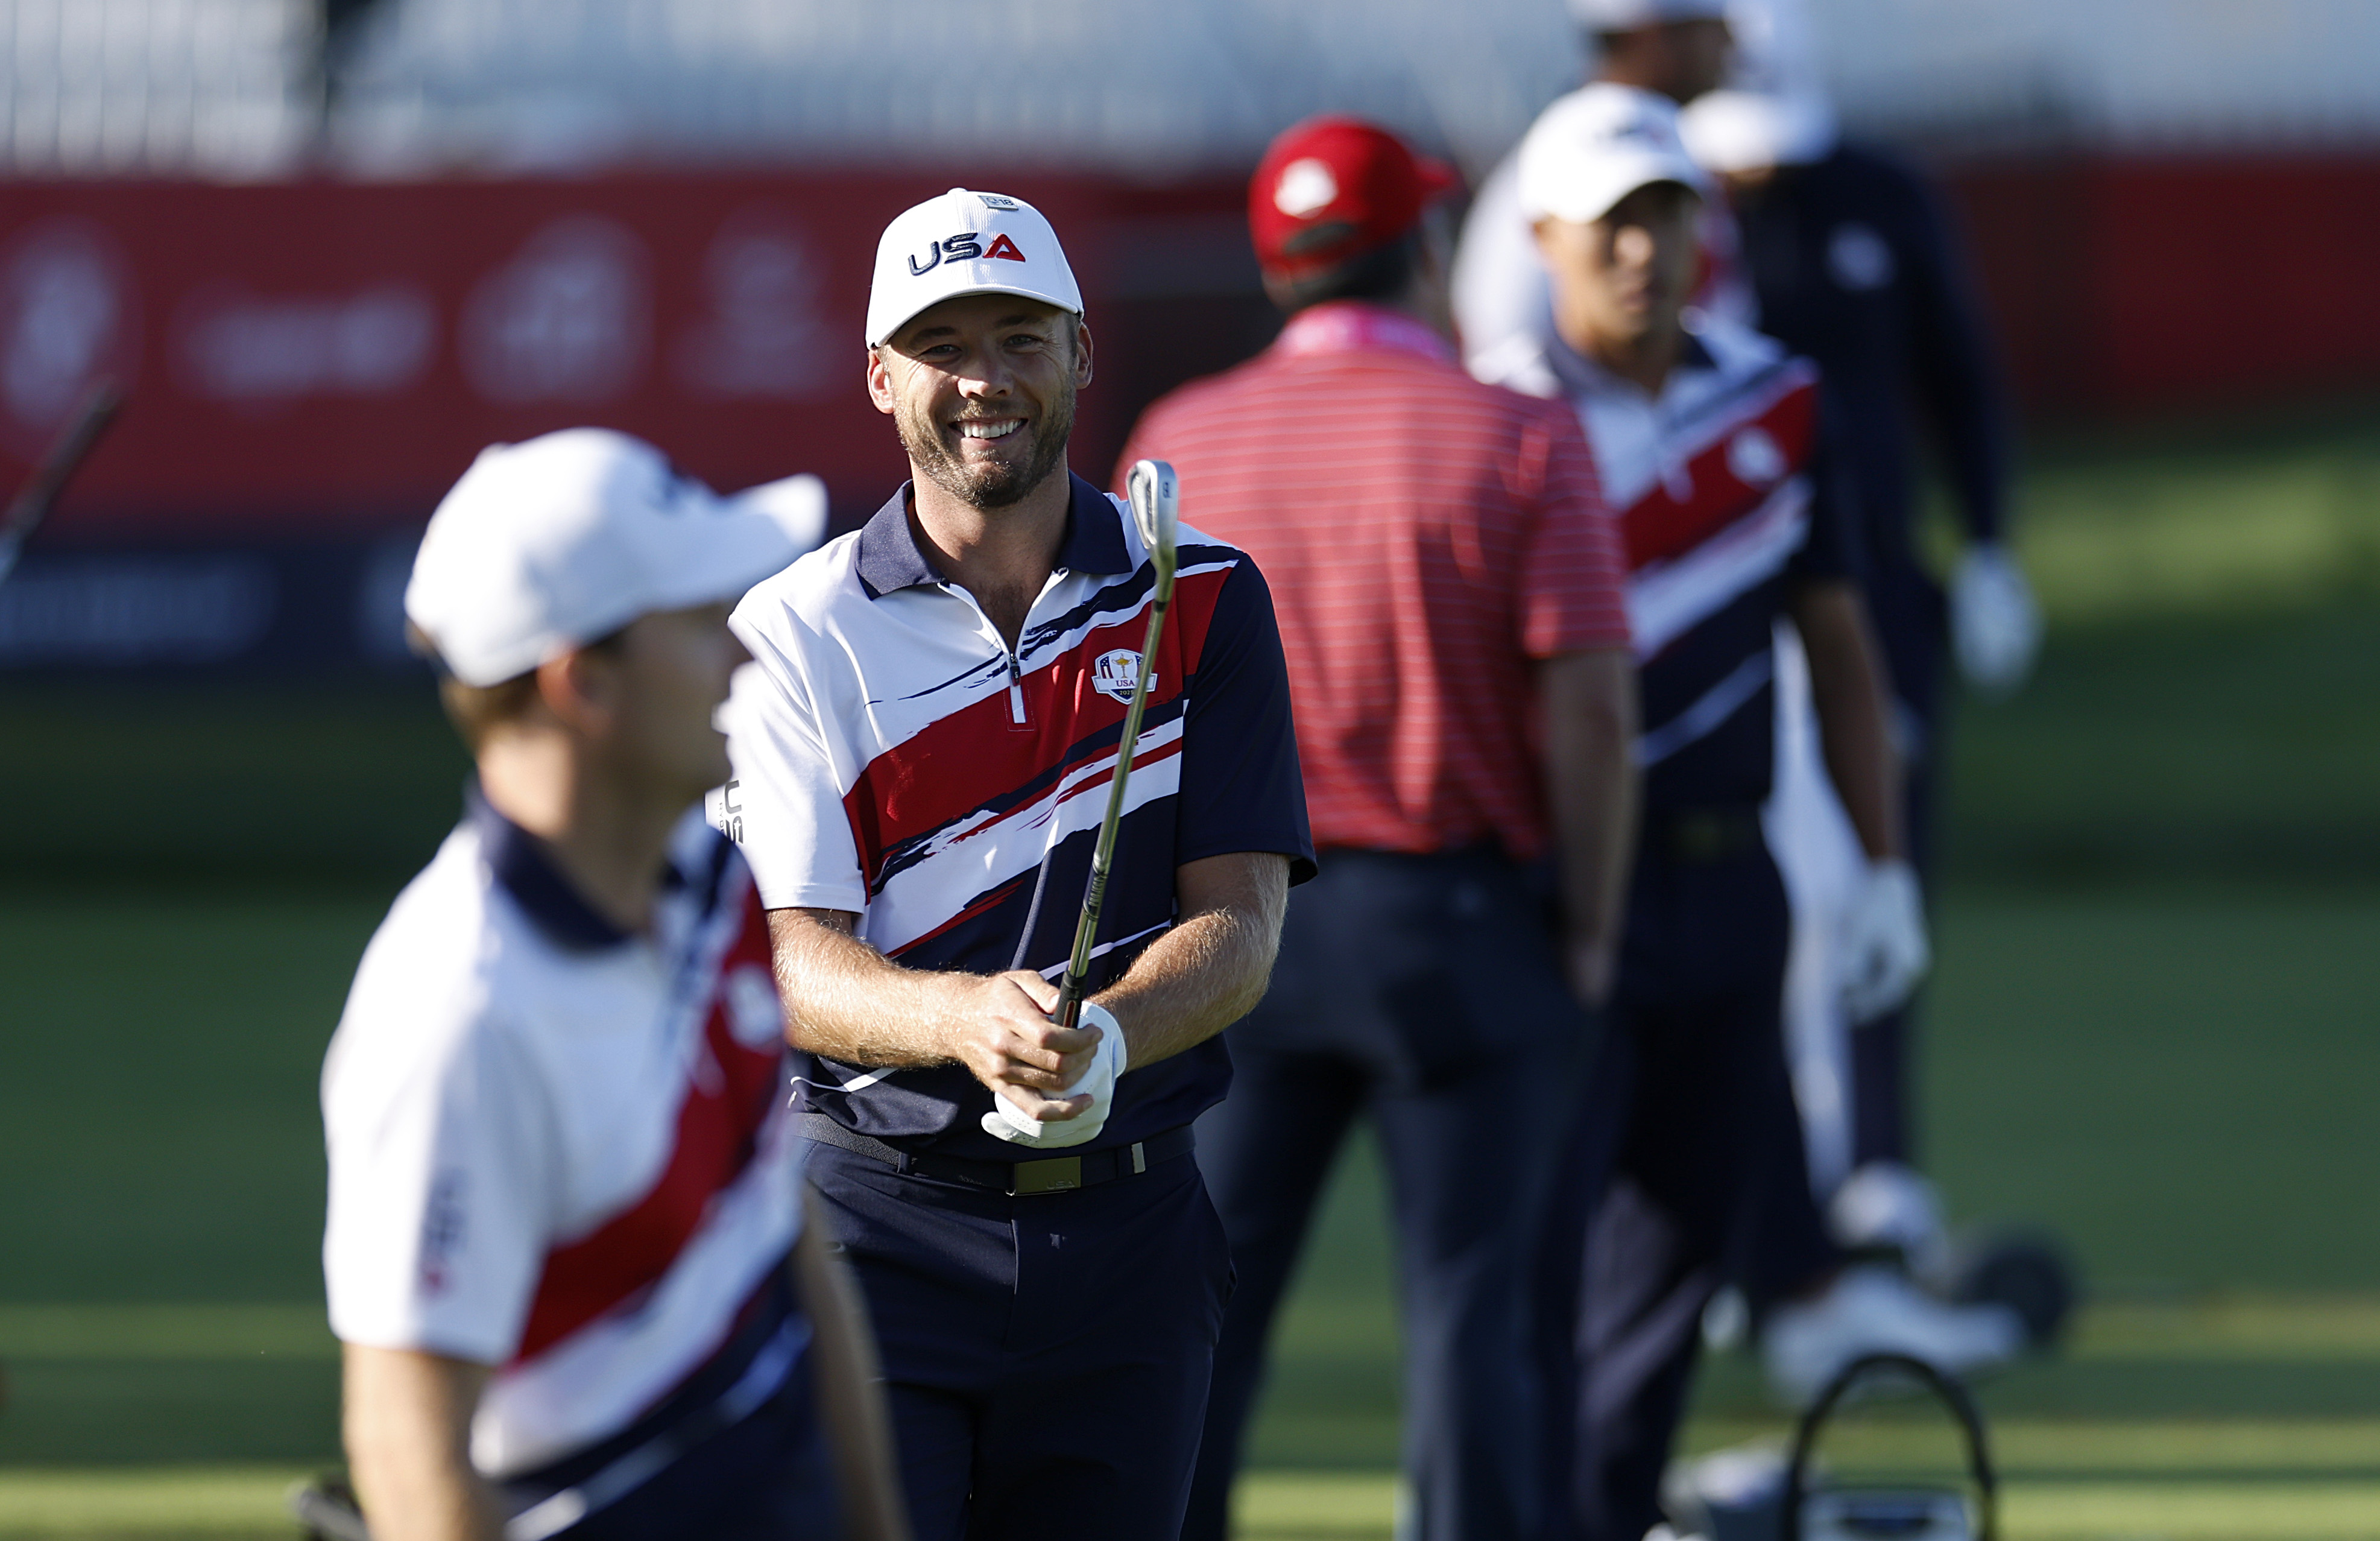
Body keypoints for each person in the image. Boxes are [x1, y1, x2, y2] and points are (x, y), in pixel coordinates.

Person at [718, 188, 1315, 1540]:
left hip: (1130, 1232)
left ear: (1081, 353)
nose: (985, 380)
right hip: (873, 1224)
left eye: (1019, 338)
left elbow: (1242, 918)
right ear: (880, 376)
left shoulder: (1202, 592)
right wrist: (964, 1019)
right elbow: (782, 951)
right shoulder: (790, 628)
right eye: (943, 345)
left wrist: (1099, 1036)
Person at [1472, 88, 2022, 1539]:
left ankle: (1603, 1513)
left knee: (1676, 1252)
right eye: (1608, 226)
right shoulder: (1491, 421)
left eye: (1662, 217)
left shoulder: (1773, 401)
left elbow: (1835, 646)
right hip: (1552, 893)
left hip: (1729, 885)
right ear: (1542, 238)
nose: (1640, 252)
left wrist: (1885, 864)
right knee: (1539, 1255)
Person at [1115, 118, 1638, 1541]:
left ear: (1280, 270)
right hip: (1454, 925)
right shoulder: (1519, 434)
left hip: (1222, 936)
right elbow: (1588, 713)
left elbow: (1114, 728)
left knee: (1192, 1318)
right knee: (1478, 1325)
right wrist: (1589, 928)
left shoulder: (1178, 440)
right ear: (1421, 246)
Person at [321, 428, 907, 1541]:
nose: (742, 654)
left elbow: (781, 1249)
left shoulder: (715, 877)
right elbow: (411, 1459)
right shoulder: (455, 1014)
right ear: (580, 681)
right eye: (697, 621)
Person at [1680, 81, 2042, 1259]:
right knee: (1749, 895)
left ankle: (1870, 1168)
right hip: (1702, 595)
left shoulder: (1881, 199)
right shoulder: (1654, 209)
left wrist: (1987, 544)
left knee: (1873, 886)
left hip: (1870, 583)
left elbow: (1956, 374)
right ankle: (1740, 1204)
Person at [1452, 0, 1745, 376]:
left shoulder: (1692, 159)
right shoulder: (1539, 182)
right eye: (1711, 24)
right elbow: (1501, 360)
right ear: (1653, 35)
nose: (1730, 42)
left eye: (1663, 214)